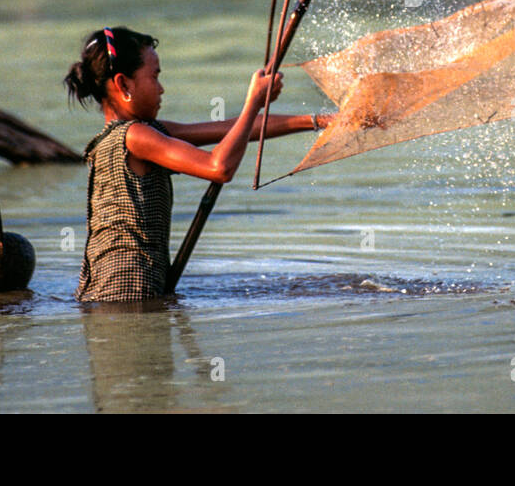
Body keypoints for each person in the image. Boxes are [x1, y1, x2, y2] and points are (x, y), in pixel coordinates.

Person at [64, 25, 330, 301]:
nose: (161, 88)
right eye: (154, 77)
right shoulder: (135, 136)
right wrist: (253, 102)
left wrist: (320, 121)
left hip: (109, 297)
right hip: (125, 299)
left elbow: (234, 129)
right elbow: (219, 167)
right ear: (123, 85)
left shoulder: (131, 135)